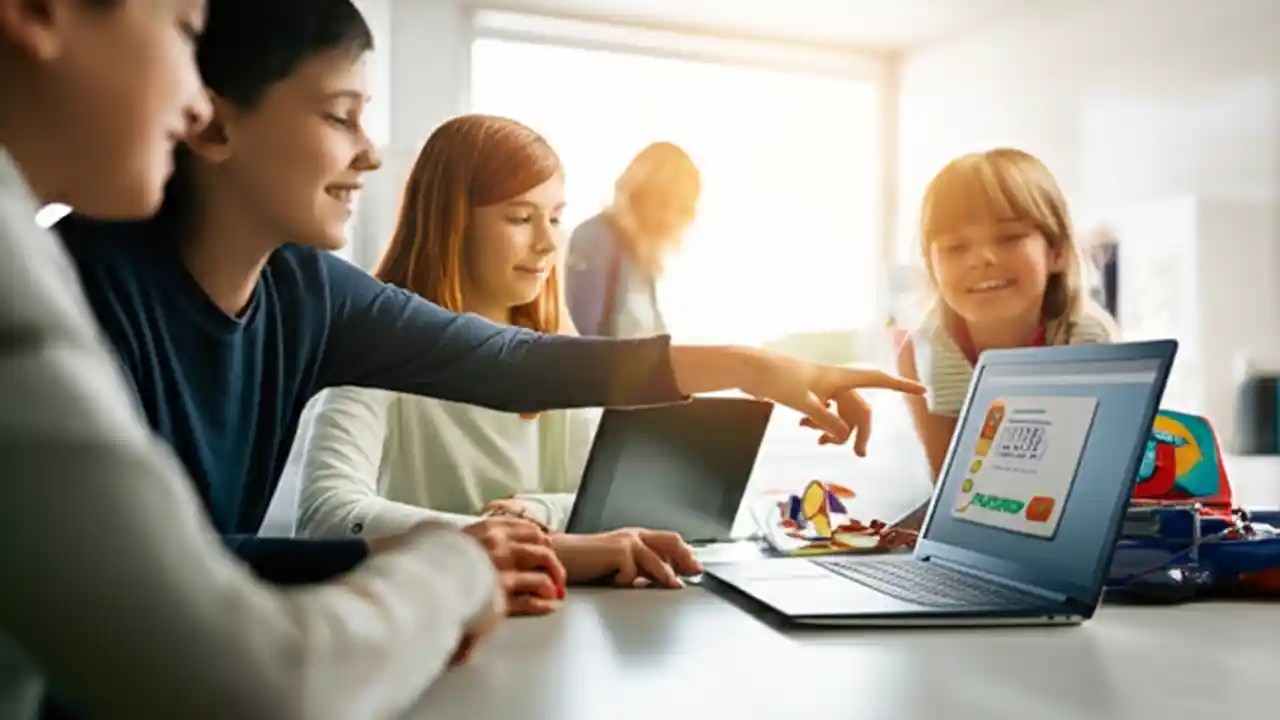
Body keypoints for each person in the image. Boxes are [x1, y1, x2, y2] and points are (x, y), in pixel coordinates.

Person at [56, 0, 924, 605]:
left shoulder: (308, 291)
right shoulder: (80, 287)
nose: (370, 154)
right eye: (340, 116)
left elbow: (516, 364)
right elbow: (142, 570)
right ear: (214, 124)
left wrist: (754, 368)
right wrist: (464, 557)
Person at [0, 1, 522, 718]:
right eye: (183, 28)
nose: (195, 104)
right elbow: (259, 682)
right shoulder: (40, 280)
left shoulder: (305, 289)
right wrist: (454, 564)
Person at [291, 115, 703, 600]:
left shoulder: (555, 357)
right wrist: (509, 541)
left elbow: (607, 504)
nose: (547, 243)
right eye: (521, 218)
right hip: (431, 615)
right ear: (452, 223)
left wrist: (537, 511)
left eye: (554, 218)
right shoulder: (372, 350)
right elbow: (325, 516)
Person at [897, 148, 1118, 480]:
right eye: (955, 247)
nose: (981, 259)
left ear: (1056, 251)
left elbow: (1099, 470)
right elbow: (950, 480)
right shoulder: (921, 353)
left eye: (1009, 237)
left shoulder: (1087, 339)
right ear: (932, 265)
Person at [565, 141, 699, 338]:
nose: (669, 217)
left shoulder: (641, 257)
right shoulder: (595, 239)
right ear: (637, 193)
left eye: (681, 208)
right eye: (662, 202)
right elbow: (582, 338)